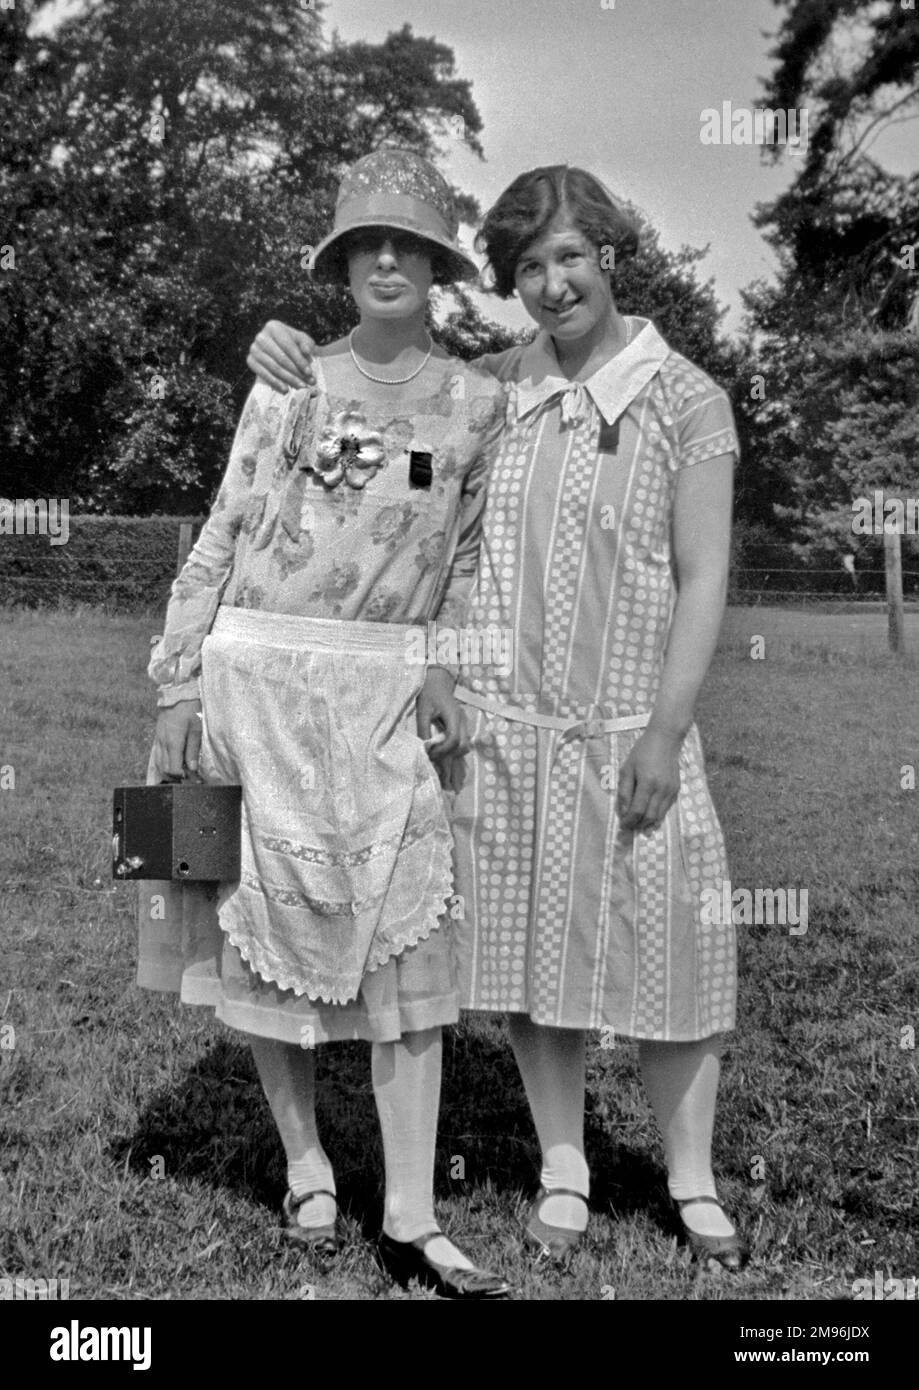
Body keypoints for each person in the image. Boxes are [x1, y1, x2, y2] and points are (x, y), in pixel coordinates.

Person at [247, 163, 748, 1271]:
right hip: (504, 726)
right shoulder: (495, 388)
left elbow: (704, 574)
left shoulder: (685, 398)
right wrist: (281, 348)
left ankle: (692, 1176)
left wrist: (666, 731)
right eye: (528, 267)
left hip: (631, 725)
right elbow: (383, 383)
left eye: (570, 257)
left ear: (610, 256)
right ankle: (562, 1165)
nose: (553, 284)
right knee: (534, 963)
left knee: (673, 954)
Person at [138, 148, 511, 1299]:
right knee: (237, 911)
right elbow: (221, 530)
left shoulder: (480, 401)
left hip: (387, 693)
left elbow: (467, 566)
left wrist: (449, 673)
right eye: (367, 243)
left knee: (409, 940)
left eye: (410, 243)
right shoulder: (286, 380)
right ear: (343, 265)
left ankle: (408, 1207)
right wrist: (177, 681)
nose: (387, 258)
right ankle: (305, 1166)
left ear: (440, 267)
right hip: (250, 676)